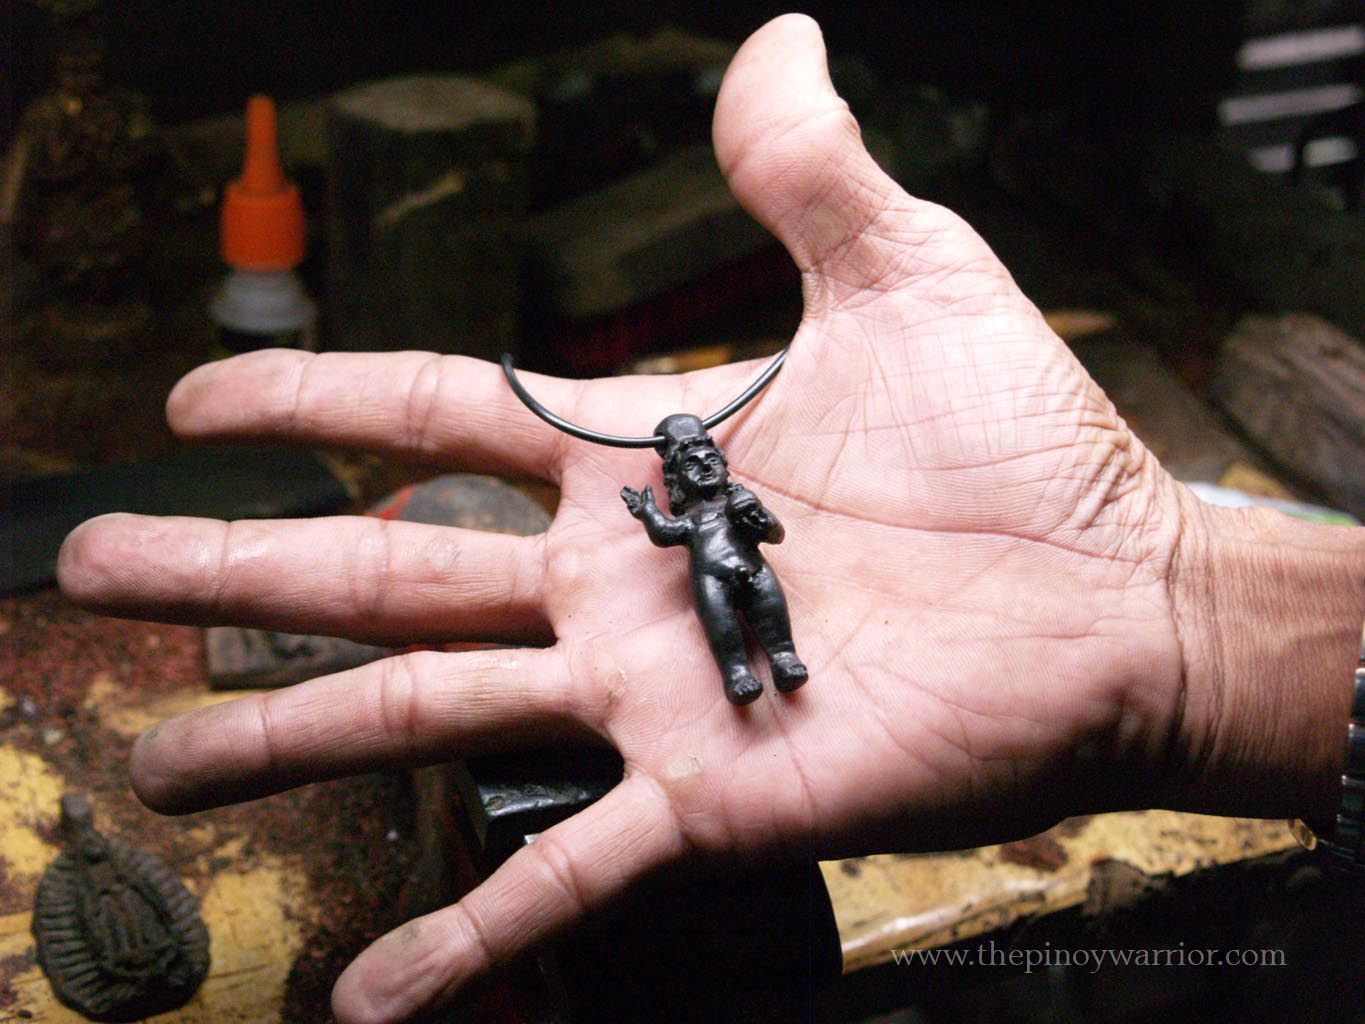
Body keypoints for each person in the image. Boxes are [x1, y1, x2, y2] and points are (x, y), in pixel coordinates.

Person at [56, 14, 1365, 1024]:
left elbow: (750, 538)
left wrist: (1172, 603)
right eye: (680, 453)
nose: (689, 455)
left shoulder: (727, 493)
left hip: (749, 570)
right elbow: (686, 539)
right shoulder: (692, 504)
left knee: (765, 619)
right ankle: (754, 667)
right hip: (716, 577)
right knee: (736, 629)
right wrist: (658, 512)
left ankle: (772, 660)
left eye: (692, 449)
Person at [621, 413, 808, 704]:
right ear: (676, 480)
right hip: (712, 581)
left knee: (771, 609)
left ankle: (784, 656)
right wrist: (649, 513)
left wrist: (759, 517)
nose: (705, 467)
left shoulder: (740, 503)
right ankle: (737, 674)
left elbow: (775, 535)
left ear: (723, 464)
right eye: (691, 465)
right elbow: (665, 534)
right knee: (721, 626)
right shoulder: (691, 520)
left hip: (756, 571)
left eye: (711, 459)